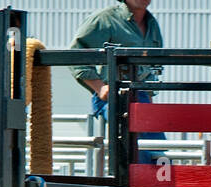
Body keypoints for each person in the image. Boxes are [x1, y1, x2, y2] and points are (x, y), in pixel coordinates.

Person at [69, 0, 166, 163]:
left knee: (157, 150)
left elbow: (153, 67)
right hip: (115, 96)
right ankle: (134, 184)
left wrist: (149, 97)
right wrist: (100, 87)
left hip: (142, 97)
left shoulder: (152, 25)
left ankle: (157, 185)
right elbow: (76, 54)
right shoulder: (106, 19)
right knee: (134, 143)